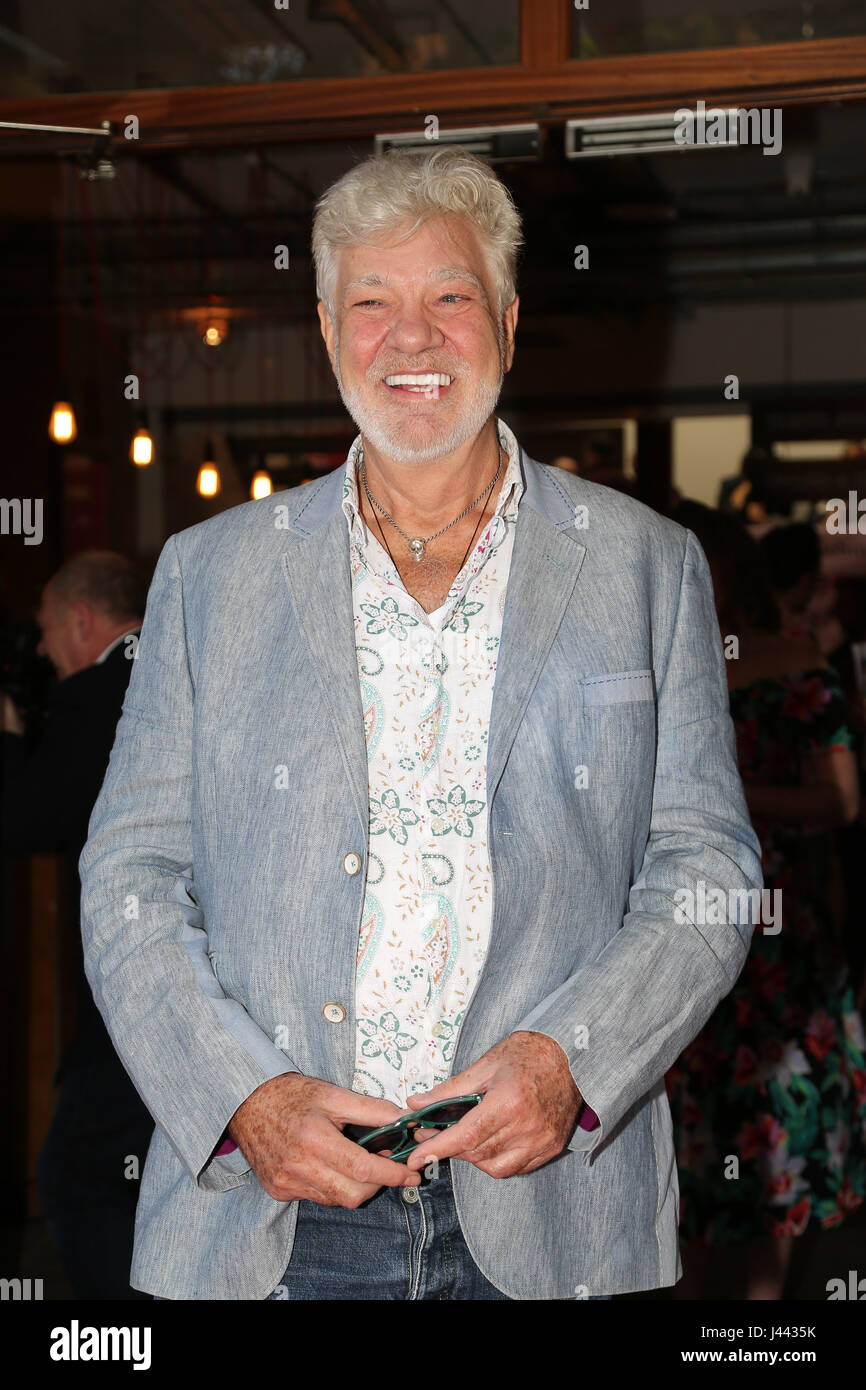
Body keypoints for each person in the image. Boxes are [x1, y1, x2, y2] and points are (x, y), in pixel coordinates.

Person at [79, 146, 762, 1302]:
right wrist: (244, 1098)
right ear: (324, 325)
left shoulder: (647, 566)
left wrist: (570, 1061)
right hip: (276, 1218)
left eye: (447, 296)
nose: (411, 338)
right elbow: (130, 876)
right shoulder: (210, 577)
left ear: (502, 317)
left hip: (554, 1213)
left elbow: (704, 868)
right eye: (371, 302)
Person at [666, 502, 866, 1300]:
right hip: (676, 948)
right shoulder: (652, 668)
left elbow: (842, 801)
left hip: (776, 951)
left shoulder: (793, 669)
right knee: (684, 1197)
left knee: (772, 1189)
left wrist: (735, 796)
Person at [1, 551, 154, 1299]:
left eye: (45, 630)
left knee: (74, 1180)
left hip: (134, 1001)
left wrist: (5, 731)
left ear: (81, 620)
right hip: (217, 984)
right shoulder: (177, 669)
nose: (41, 650)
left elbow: (22, 819)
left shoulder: (95, 696)